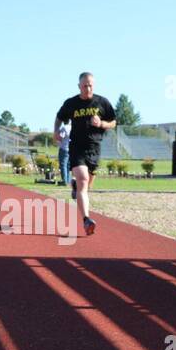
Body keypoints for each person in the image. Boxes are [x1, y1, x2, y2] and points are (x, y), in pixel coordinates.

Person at [55, 72, 115, 235]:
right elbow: (59, 117)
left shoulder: (102, 102)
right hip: (77, 147)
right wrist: (56, 131)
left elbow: (113, 122)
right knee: (83, 179)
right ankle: (86, 220)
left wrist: (102, 123)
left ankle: (76, 187)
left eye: (90, 85)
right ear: (79, 86)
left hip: (95, 147)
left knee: (86, 187)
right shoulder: (71, 103)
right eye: (84, 85)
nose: (87, 88)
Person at [55, 119, 70, 187]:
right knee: (68, 165)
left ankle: (64, 181)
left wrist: (57, 133)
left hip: (64, 148)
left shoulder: (64, 128)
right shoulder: (72, 127)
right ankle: (68, 180)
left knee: (63, 165)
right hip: (71, 148)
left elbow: (60, 137)